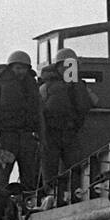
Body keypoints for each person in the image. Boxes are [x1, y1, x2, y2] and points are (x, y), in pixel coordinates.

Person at [0, 50, 47, 190]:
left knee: (30, 181)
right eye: (18, 68)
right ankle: (0, 208)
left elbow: (39, 115)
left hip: (28, 139)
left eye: (24, 68)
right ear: (11, 68)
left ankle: (28, 206)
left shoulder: (32, 88)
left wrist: (43, 140)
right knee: (1, 180)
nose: (21, 71)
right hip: (8, 140)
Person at [39, 48, 93, 187]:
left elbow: (87, 104)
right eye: (66, 65)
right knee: (49, 170)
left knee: (75, 169)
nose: (69, 69)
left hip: (70, 133)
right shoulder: (46, 87)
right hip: (51, 134)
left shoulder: (79, 86)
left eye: (72, 65)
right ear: (57, 67)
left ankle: (74, 194)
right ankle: (48, 197)